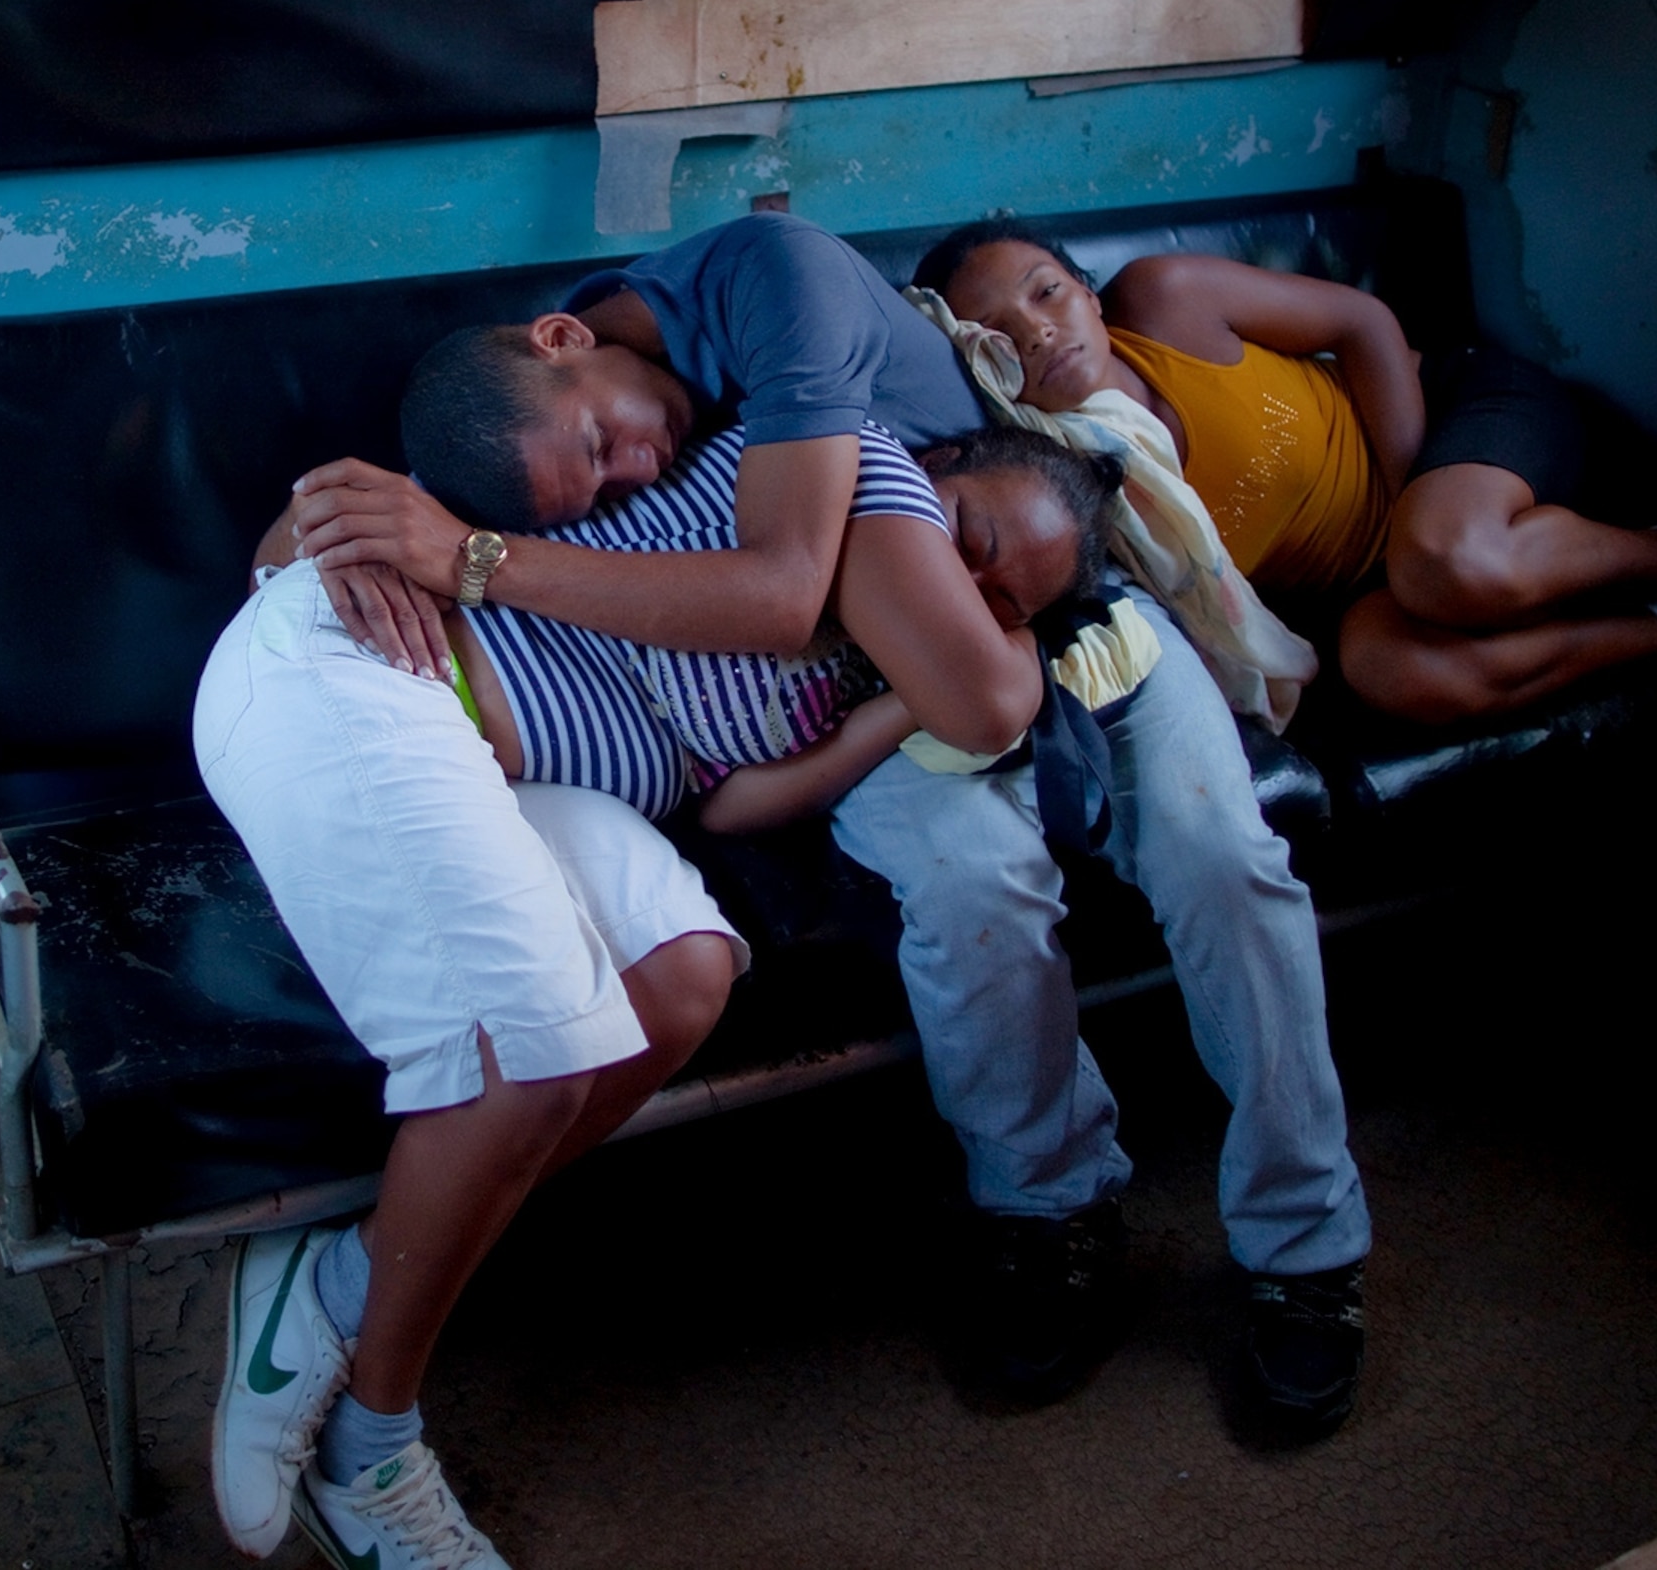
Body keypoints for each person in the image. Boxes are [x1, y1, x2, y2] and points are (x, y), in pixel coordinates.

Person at [287, 211, 1376, 1436]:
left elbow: (782, 586)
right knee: (972, 884)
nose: (631, 474)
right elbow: (352, 518)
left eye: (609, 448)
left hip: (1044, 568)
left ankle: (1306, 1250)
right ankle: (1046, 1213)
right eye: (596, 481)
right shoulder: (548, 442)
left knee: (1222, 851)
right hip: (872, 677)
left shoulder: (772, 285)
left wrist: (474, 561)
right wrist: (344, 549)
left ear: (564, 339)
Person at [201, 414, 1101, 1569]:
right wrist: (302, 556)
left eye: (1000, 601)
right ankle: (372, 1449)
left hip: (498, 773)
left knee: (682, 977)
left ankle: (329, 1281)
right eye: (967, 536)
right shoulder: (820, 466)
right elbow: (378, 491)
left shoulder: (854, 659)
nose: (963, 588)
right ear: (929, 473)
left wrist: (894, 704)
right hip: (364, 680)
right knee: (533, 1064)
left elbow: (730, 804)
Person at [914, 220, 1657, 722]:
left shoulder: (1164, 300)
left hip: (1456, 416)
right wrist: (1408, 562)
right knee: (1390, 672)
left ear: (1085, 289)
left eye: (1047, 292)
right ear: (983, 365)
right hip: (1377, 583)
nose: (1038, 329)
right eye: (999, 332)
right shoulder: (1069, 488)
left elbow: (1365, 325)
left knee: (1448, 559)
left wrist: (1414, 495)